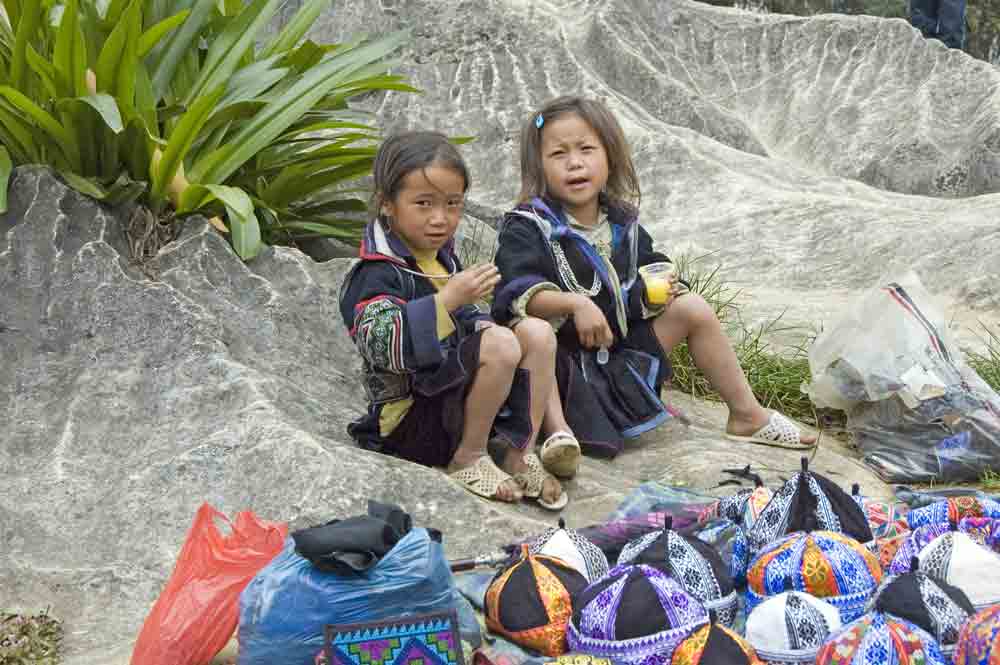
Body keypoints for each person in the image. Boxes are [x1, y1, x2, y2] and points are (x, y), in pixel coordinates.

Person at [492, 96, 818, 459]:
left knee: (691, 307)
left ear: (610, 156)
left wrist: (660, 288)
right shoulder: (527, 227)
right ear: (538, 166)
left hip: (615, 357)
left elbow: (645, 271)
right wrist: (574, 303)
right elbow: (514, 292)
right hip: (560, 373)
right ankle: (557, 433)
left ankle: (747, 414)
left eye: (586, 149)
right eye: (558, 154)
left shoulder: (621, 223)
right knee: (535, 338)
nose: (575, 163)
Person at [339, 131, 570, 510]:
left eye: (452, 204)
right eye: (423, 204)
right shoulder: (375, 273)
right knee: (499, 343)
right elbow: (382, 345)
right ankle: (468, 457)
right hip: (413, 425)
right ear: (387, 205)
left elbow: (466, 324)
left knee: (536, 333)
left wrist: (477, 320)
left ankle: (516, 451)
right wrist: (447, 302)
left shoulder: (443, 260)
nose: (440, 219)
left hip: (456, 405)